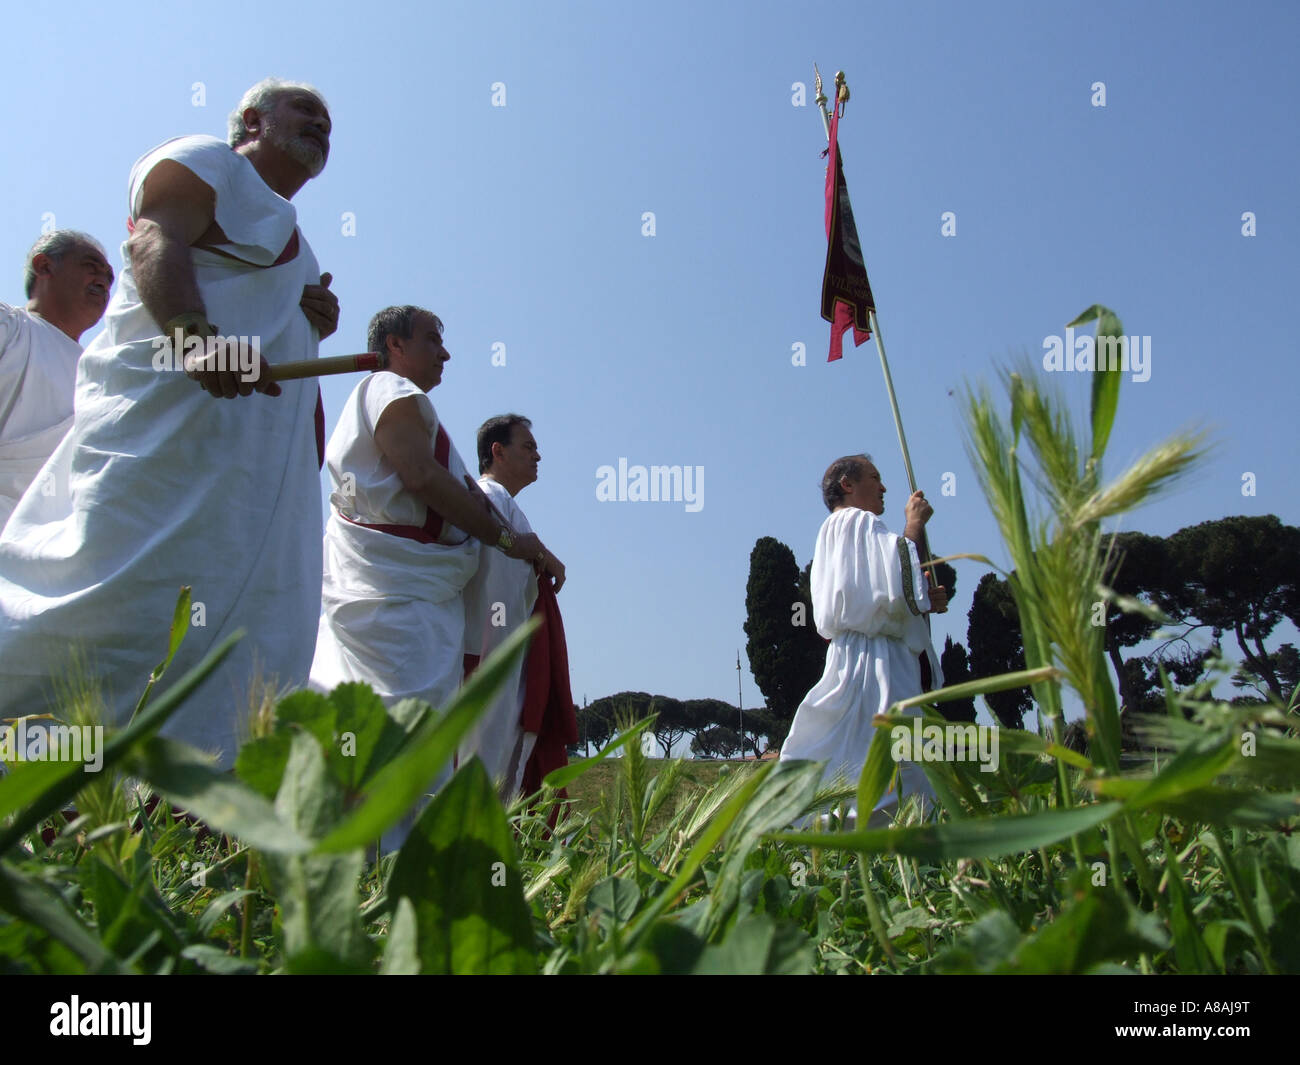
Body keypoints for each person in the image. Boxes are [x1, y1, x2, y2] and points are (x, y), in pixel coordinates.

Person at [0, 78, 339, 765]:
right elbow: (156, 239)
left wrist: (308, 317)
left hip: (245, 479)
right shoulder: (207, 158)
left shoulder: (299, 250)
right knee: (119, 603)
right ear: (251, 119)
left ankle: (188, 794)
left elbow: (260, 307)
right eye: (305, 110)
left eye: (328, 121)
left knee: (256, 623)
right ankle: (31, 756)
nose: (321, 126)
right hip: (164, 442)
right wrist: (193, 335)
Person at [310, 310, 558, 737]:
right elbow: (421, 476)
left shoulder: (401, 402)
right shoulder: (391, 387)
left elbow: (456, 491)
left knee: (377, 731)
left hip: (400, 594)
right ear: (395, 345)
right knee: (403, 737)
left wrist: (530, 545)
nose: (444, 352)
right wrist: (505, 540)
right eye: (432, 340)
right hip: (399, 600)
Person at [779, 454, 948, 824]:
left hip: (872, 655)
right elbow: (895, 568)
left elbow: (886, 593)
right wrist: (914, 524)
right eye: (875, 477)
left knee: (866, 755)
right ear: (847, 485)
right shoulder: (853, 522)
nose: (884, 487)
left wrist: (921, 602)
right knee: (894, 758)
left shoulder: (854, 530)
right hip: (873, 663)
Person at [461, 414, 569, 800]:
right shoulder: (491, 498)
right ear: (497, 451)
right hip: (493, 663)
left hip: (500, 663)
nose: (538, 456)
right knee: (487, 775)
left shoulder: (503, 505)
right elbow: (495, 590)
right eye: (528, 447)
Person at [0, 231, 113, 529]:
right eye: (92, 266)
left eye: (110, 278)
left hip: (47, 553)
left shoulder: (105, 377)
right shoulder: (10, 327)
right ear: (44, 266)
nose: (104, 281)